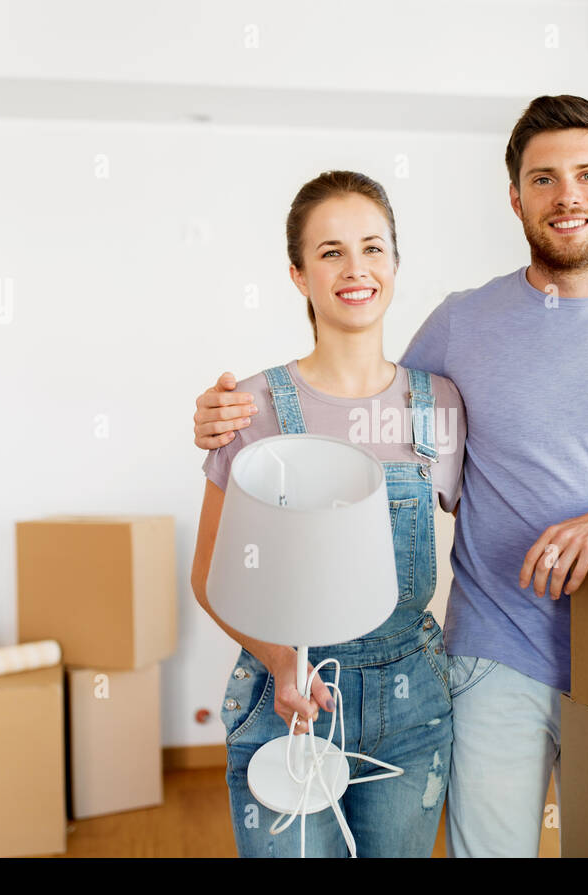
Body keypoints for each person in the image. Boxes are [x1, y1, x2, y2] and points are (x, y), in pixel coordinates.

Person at [193, 95, 588, 857]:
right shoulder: (461, 324)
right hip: (490, 656)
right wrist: (224, 421)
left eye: (587, 174)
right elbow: (357, 390)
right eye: (543, 179)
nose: (566, 195)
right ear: (515, 198)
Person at [190, 170, 467, 857]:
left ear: (396, 264)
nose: (356, 268)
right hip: (288, 705)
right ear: (298, 274)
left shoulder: (441, 405)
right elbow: (209, 575)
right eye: (331, 251)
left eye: (374, 248)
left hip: (413, 706)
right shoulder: (251, 408)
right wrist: (283, 662)